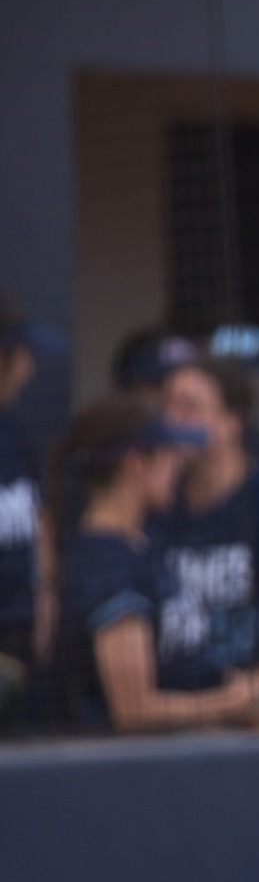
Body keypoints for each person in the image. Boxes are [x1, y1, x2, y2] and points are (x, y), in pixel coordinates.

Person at [45, 395, 259, 730]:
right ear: (136, 463)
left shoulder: (142, 543)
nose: (177, 465)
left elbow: (182, 666)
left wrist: (248, 686)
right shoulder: (105, 563)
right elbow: (134, 709)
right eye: (167, 455)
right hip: (130, 773)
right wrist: (231, 703)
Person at [152, 355, 259, 706]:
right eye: (166, 407)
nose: (172, 420)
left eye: (190, 408)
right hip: (172, 708)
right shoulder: (154, 501)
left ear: (234, 420)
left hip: (254, 705)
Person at [0, 303, 58, 728]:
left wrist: (45, 604)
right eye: (22, 357)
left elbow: (40, 523)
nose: (28, 370)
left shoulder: (15, 433)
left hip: (21, 640)